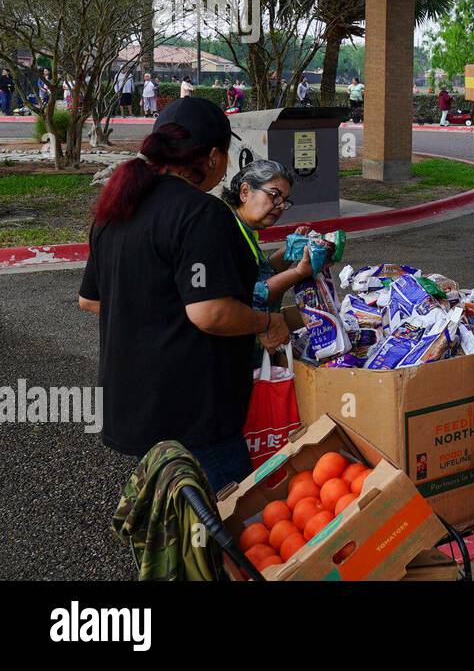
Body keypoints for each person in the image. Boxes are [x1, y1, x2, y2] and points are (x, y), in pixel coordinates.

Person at [76, 97, 289, 492]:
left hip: (136, 407)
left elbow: (92, 299)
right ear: (211, 157)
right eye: (226, 155)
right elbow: (210, 312)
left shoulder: (116, 209)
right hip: (193, 413)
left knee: (174, 523)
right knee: (232, 526)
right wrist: (266, 322)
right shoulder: (200, 215)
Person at [222, 160, 316, 314]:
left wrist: (293, 248)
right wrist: (298, 273)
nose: (280, 206)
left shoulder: (245, 227)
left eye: (284, 200)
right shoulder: (224, 229)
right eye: (275, 195)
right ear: (245, 191)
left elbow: (263, 271)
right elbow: (250, 296)